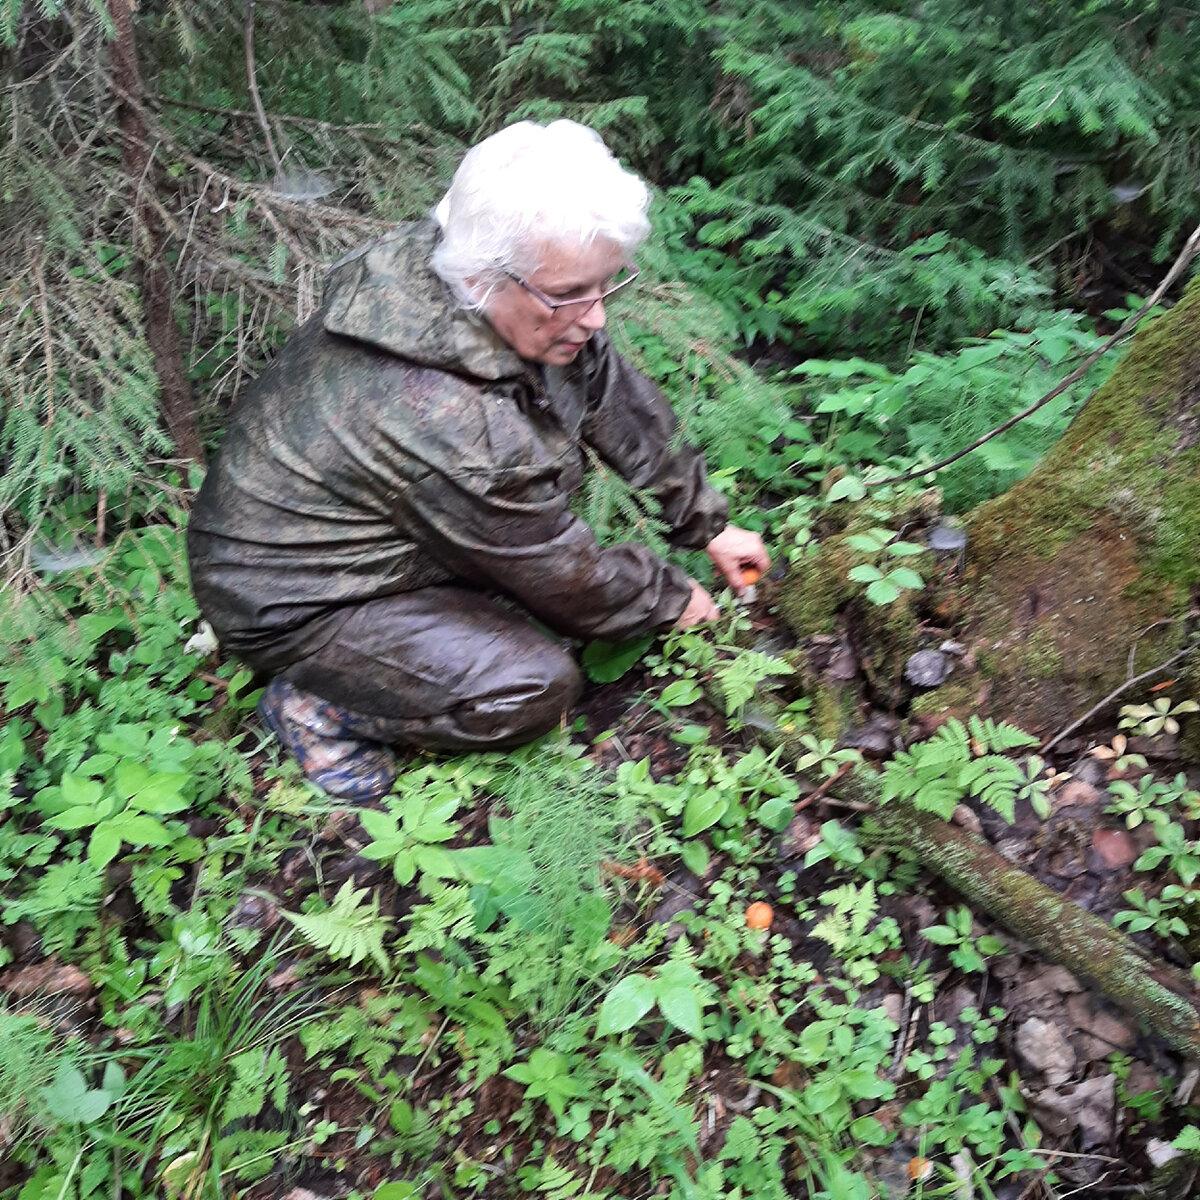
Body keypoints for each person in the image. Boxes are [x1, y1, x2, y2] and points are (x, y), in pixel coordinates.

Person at [187, 120, 769, 801]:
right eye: (570, 294)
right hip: (295, 599)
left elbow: (615, 397)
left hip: (386, 538)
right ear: (483, 277)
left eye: (606, 285)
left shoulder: (476, 281)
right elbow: (565, 575)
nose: (596, 317)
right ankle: (315, 707)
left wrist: (706, 523)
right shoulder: (441, 416)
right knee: (532, 684)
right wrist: (672, 601)